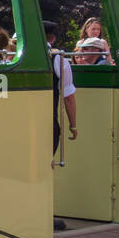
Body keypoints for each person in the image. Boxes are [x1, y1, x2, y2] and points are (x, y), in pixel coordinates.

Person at [43, 20, 77, 150]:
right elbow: (68, 97)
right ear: (53, 38)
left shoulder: (13, 56)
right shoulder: (58, 58)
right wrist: (73, 125)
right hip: (48, 126)